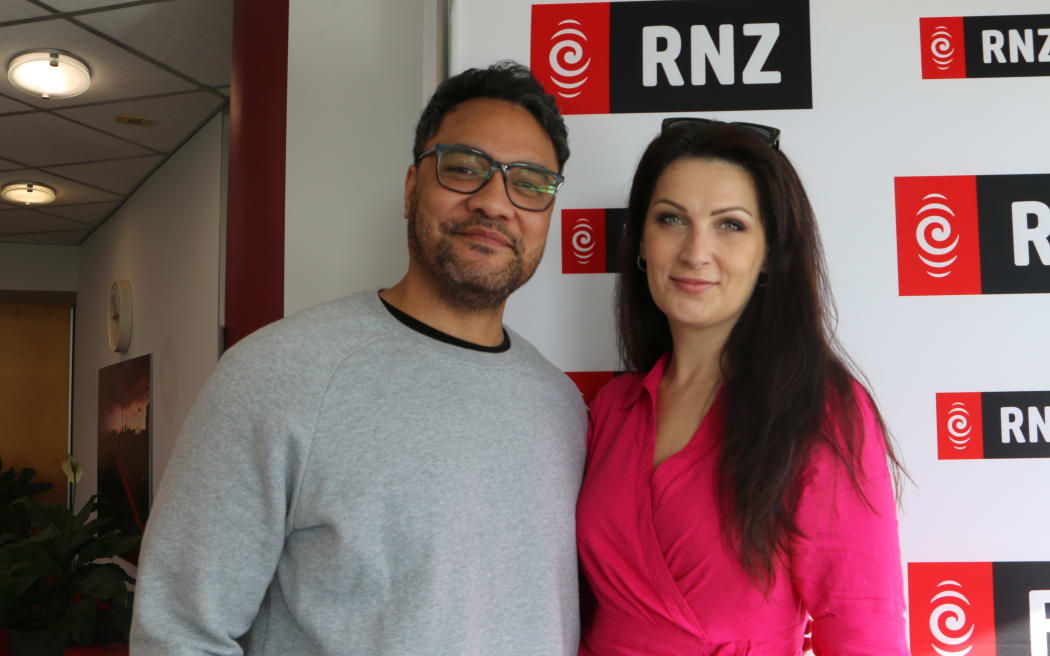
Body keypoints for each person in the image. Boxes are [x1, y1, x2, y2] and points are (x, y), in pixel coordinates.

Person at [130, 61, 587, 656]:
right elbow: (177, 634)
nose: (495, 202)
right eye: (464, 168)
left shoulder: (563, 407)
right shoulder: (278, 375)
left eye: (529, 182)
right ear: (410, 188)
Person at [576, 118, 907, 655]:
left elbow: (865, 635)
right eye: (671, 219)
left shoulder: (821, 410)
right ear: (642, 241)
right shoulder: (613, 409)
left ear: (771, 252)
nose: (695, 251)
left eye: (729, 225)